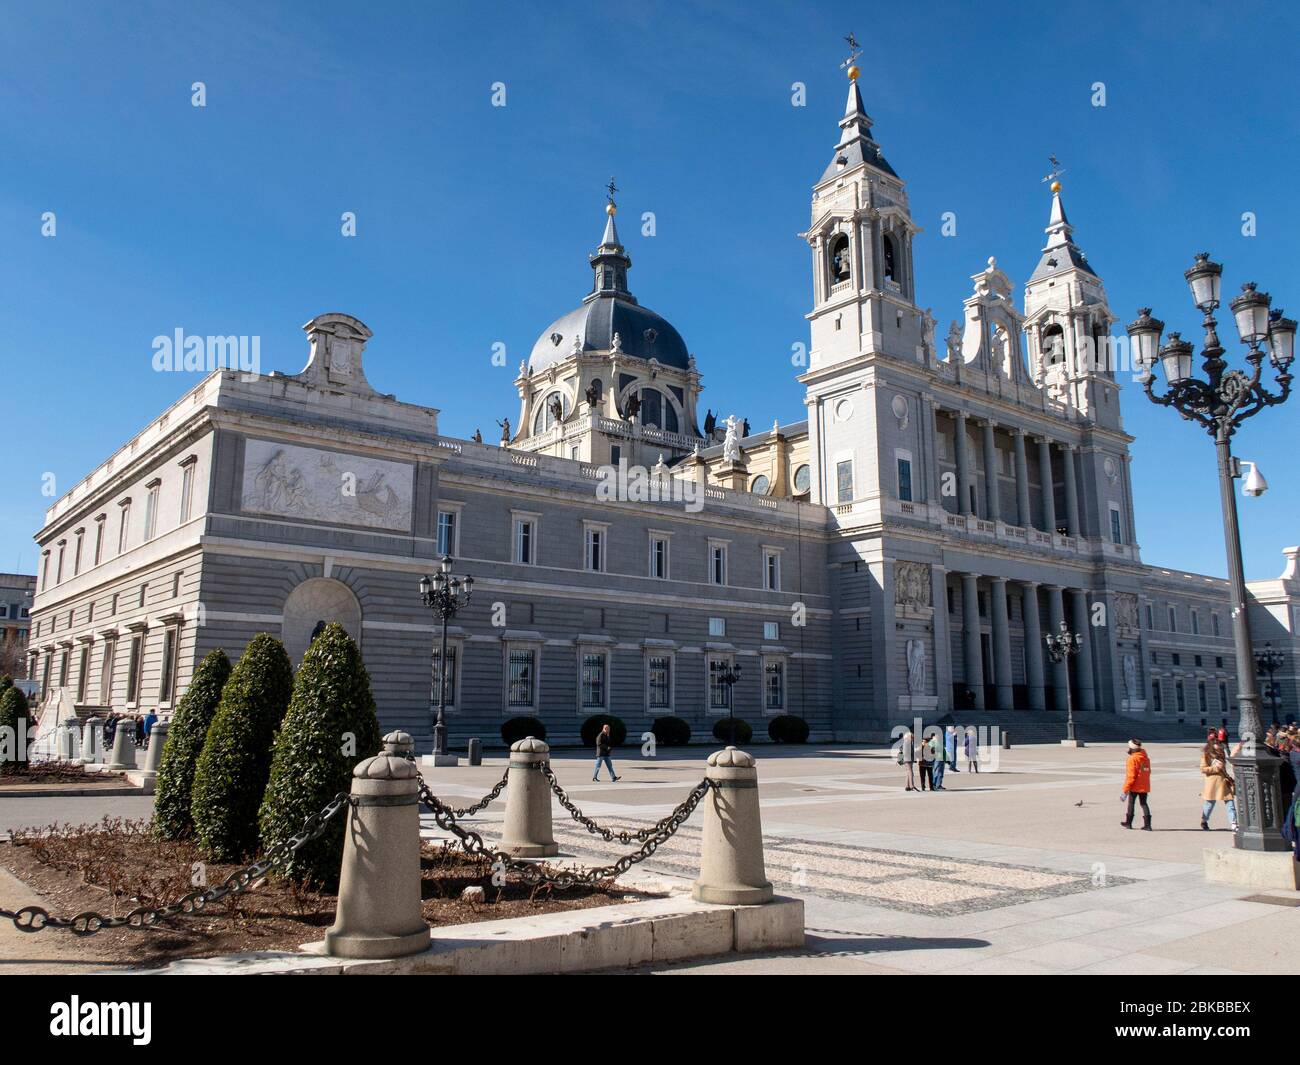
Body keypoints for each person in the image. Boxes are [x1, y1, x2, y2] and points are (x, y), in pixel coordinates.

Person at [1200, 736, 1237, 831]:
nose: (1219, 746)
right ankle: (1204, 821)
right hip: (1212, 783)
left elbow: (1223, 769)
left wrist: (1228, 777)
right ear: (1211, 745)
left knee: (1230, 803)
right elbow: (1203, 769)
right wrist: (1216, 768)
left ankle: (1233, 823)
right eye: (1216, 744)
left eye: (1219, 743)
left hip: (1223, 782)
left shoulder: (1221, 753)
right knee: (1209, 803)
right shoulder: (1206, 755)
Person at [1121, 739, 1152, 830]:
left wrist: (1125, 790)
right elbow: (1147, 771)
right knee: (1144, 803)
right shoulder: (1145, 758)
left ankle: (1128, 823)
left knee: (1131, 804)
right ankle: (1148, 825)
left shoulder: (1132, 759)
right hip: (1144, 785)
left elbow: (1131, 776)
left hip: (1135, 785)